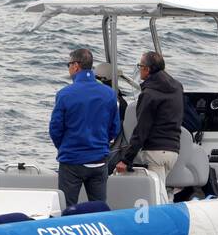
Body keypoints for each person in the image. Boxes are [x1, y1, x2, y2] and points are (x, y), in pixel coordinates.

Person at [49, 48, 121, 207]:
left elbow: (55, 129)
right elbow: (115, 127)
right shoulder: (109, 93)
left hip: (72, 161)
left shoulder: (65, 94)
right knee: (99, 208)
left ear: (76, 66)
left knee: (67, 208)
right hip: (99, 160)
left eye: (68, 64)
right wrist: (101, 144)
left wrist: (64, 147)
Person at [116, 51, 184, 190]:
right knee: (165, 191)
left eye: (140, 66)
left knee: (156, 193)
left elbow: (142, 129)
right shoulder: (177, 87)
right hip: (173, 152)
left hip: (156, 152)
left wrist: (126, 159)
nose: (139, 69)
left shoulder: (148, 94)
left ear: (147, 70)